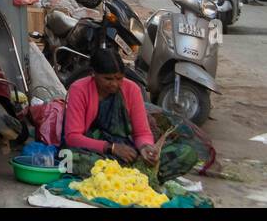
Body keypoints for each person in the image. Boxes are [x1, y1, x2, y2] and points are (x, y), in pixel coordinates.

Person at [63, 50, 201, 182]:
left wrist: (145, 148)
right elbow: (73, 137)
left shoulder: (132, 89)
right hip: (96, 151)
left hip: (129, 152)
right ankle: (133, 176)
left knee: (187, 153)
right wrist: (111, 147)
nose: (114, 84)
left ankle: (123, 175)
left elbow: (142, 133)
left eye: (119, 78)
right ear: (93, 74)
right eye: (108, 79)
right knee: (69, 159)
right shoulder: (79, 89)